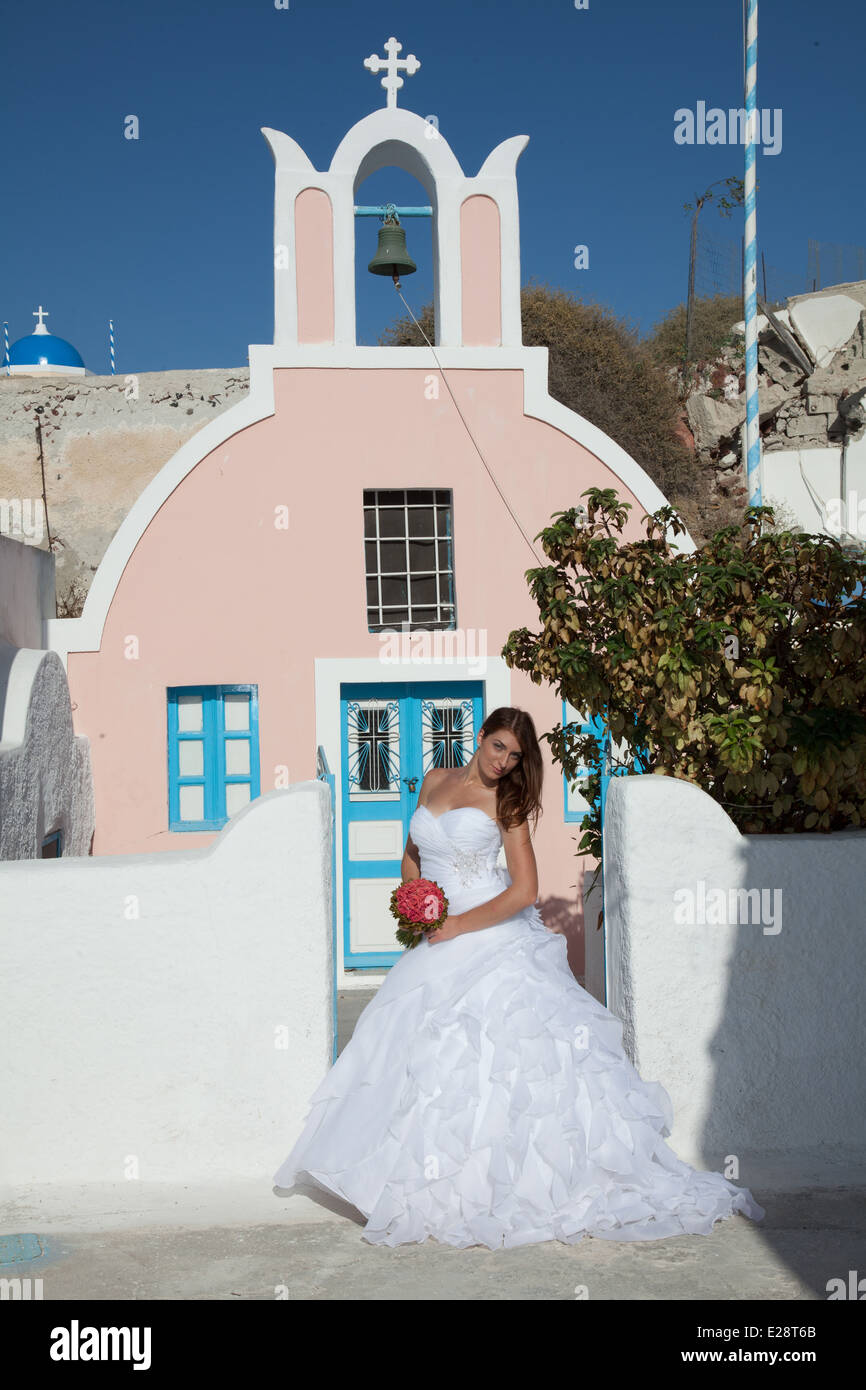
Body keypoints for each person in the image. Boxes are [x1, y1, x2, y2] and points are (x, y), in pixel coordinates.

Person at [272, 706, 766, 1249]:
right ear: (479, 737)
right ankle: (393, 1172)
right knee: (412, 1051)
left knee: (493, 1056)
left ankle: (497, 1180)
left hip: (487, 931)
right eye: (498, 747)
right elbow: (413, 853)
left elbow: (524, 890)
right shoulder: (434, 780)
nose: (504, 762)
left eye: (514, 756)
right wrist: (415, 899)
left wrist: (457, 923)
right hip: (435, 934)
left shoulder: (505, 804)